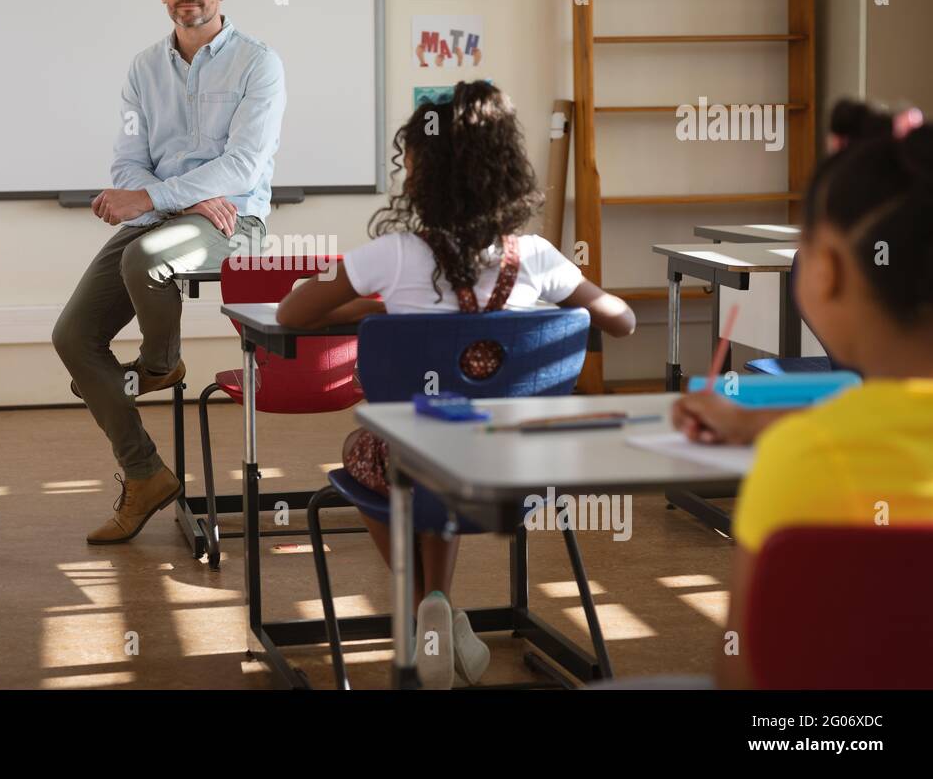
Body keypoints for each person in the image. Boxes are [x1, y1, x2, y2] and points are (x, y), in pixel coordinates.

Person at [277, 81, 636, 687]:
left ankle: (423, 612)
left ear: (422, 178)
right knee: (448, 447)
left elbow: (292, 316)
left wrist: (380, 307)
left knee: (373, 448)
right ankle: (436, 606)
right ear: (504, 171)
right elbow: (620, 321)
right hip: (517, 466)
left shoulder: (393, 255)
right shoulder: (539, 256)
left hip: (413, 462)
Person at [669, 104, 933, 688]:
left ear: (828, 273)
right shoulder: (806, 444)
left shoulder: (802, 462)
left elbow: (743, 676)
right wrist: (754, 423)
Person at [52, 0, 285, 545]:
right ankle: (146, 474)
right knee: (73, 336)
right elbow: (129, 162)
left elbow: (244, 168)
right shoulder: (142, 67)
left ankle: (160, 363)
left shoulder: (258, 63)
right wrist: (173, 194)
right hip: (168, 218)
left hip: (234, 223)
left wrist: (166, 193)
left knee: (145, 257)